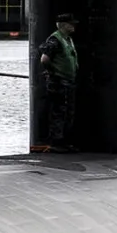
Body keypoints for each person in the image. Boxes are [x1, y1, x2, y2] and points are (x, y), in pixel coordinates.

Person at [38, 12, 79, 152]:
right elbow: (44, 59)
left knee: (67, 112)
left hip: (68, 81)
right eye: (71, 23)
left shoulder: (67, 39)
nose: (74, 26)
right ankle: (57, 143)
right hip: (59, 82)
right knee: (59, 112)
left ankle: (64, 142)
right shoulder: (55, 40)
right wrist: (53, 73)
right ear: (63, 25)